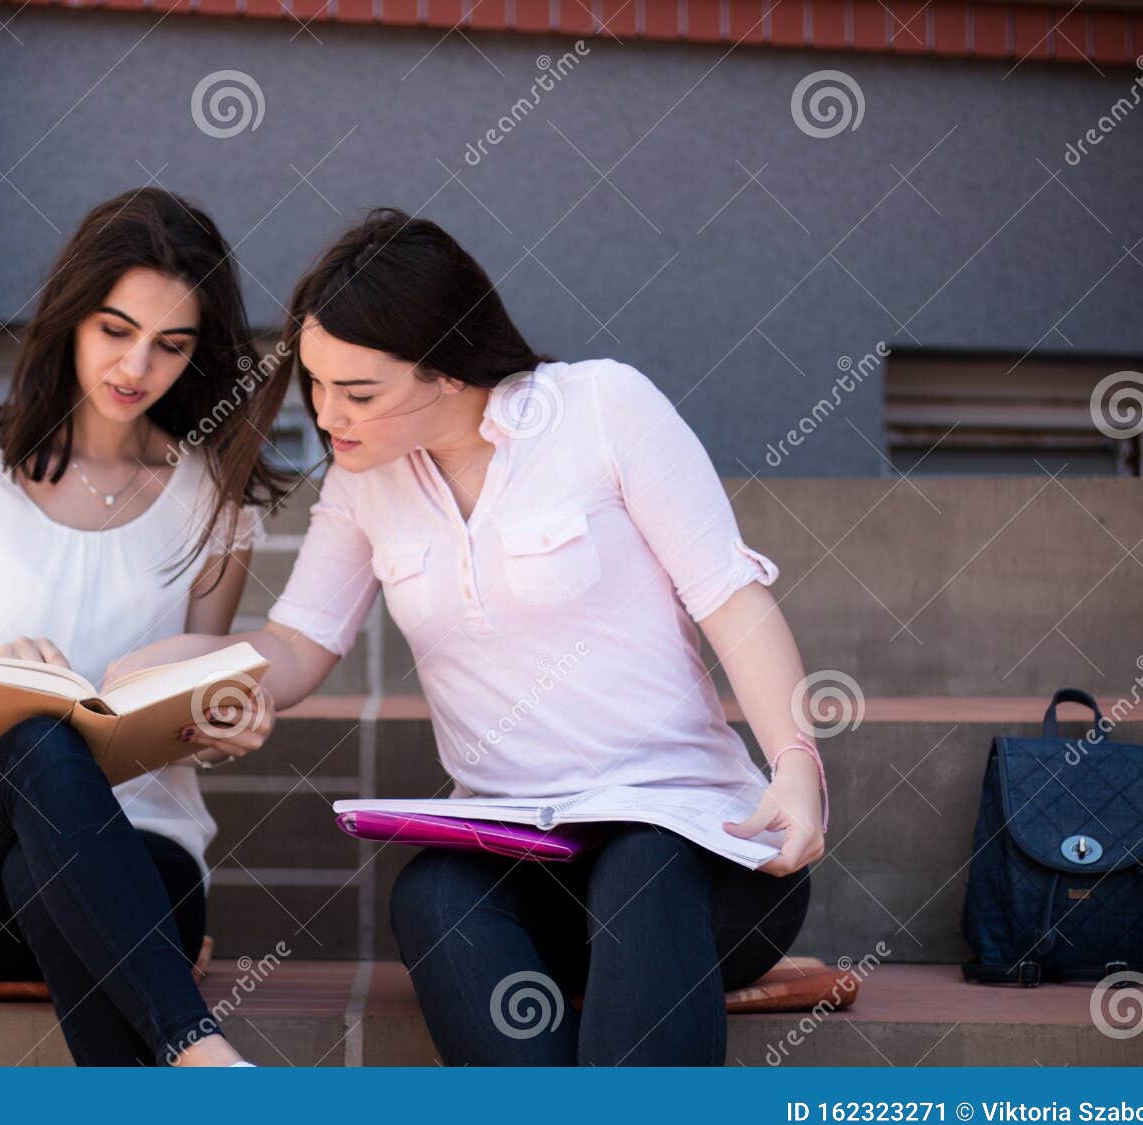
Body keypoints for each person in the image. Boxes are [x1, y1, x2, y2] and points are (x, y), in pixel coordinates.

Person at [105, 208, 827, 1066]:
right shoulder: (363, 478)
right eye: (315, 383)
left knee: (642, 866)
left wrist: (795, 760)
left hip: (699, 852)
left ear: (446, 370)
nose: (329, 414)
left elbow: (733, 601)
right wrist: (146, 671)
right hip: (530, 856)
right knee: (434, 894)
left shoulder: (604, 408)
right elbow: (297, 646)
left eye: (359, 392)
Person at [0, 189, 281, 1067]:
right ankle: (197, 1051)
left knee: (54, 876)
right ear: (72, 317)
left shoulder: (211, 499)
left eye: (172, 345)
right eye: (116, 330)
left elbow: (181, 716)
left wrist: (218, 716)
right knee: (40, 738)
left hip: (142, 861)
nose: (137, 365)